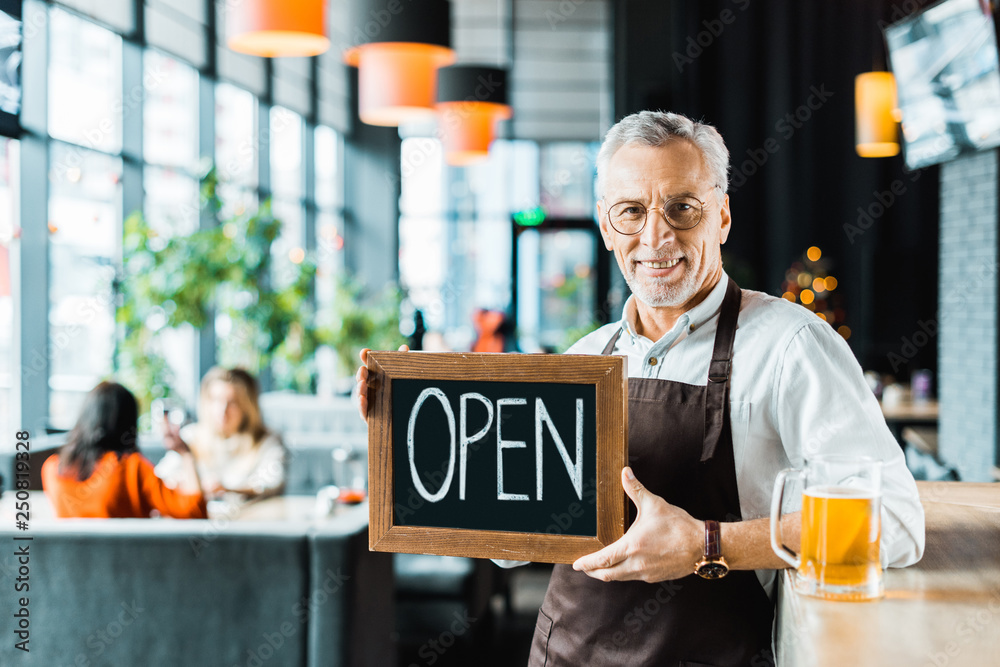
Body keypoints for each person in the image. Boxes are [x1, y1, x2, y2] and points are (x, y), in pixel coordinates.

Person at [356, 111, 925, 665]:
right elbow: (512, 547)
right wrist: (412, 434)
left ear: (722, 217)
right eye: (631, 211)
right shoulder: (584, 358)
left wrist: (709, 545)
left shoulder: (790, 345)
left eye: (682, 208)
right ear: (606, 225)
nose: (657, 236)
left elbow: (894, 523)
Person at [41, 382, 207, 519]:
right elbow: (194, 513)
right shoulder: (132, 469)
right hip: (128, 559)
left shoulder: (52, 469)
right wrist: (186, 454)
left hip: (71, 559)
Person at [156, 367, 286, 508]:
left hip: (249, 522)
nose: (222, 410)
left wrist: (225, 489)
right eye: (216, 400)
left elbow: (272, 483)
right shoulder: (191, 436)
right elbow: (162, 477)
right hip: (197, 522)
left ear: (248, 407)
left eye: (233, 402)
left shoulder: (266, 441)